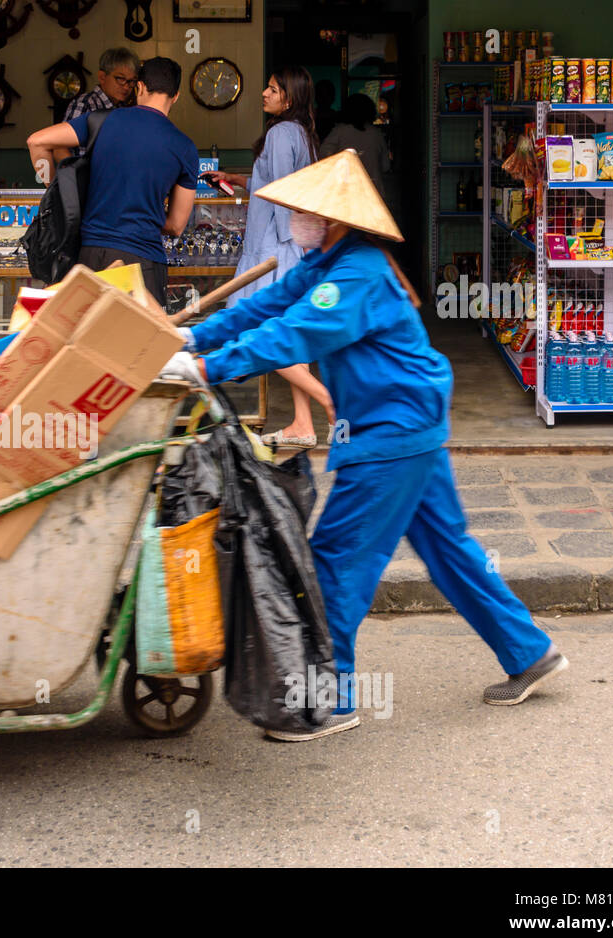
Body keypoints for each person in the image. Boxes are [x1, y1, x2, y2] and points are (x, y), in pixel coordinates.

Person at [161, 150, 568, 742]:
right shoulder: (325, 263)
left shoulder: (357, 275)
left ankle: (331, 697)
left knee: (336, 558)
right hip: (408, 424)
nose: (295, 219)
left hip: (389, 432)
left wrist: (207, 367)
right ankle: (529, 652)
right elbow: (262, 307)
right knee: (448, 549)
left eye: (304, 211)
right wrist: (191, 335)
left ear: (332, 219)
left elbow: (292, 334)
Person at [201, 66, 332, 450]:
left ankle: (329, 401)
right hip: (294, 245)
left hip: (274, 248)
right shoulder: (302, 135)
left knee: (261, 334)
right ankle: (302, 423)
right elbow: (275, 183)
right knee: (289, 336)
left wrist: (279, 251)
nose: (263, 93)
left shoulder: (278, 133)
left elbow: (278, 195)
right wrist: (237, 179)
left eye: (273, 89)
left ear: (288, 98)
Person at [26, 56, 197, 307]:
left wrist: (58, 189)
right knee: (137, 344)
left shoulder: (102, 121)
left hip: (90, 258)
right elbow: (175, 226)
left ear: (139, 87)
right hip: (143, 266)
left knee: (86, 343)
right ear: (177, 96)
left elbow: (37, 142)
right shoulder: (185, 148)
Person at [319, 93, 390, 196]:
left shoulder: (339, 131)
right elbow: (385, 166)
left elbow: (323, 156)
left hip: (346, 194)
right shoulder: (376, 134)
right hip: (373, 195)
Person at [64, 48, 139, 136]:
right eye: (121, 79)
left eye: (132, 81)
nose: (126, 87)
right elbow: (60, 146)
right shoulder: (85, 105)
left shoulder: (121, 107)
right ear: (102, 77)